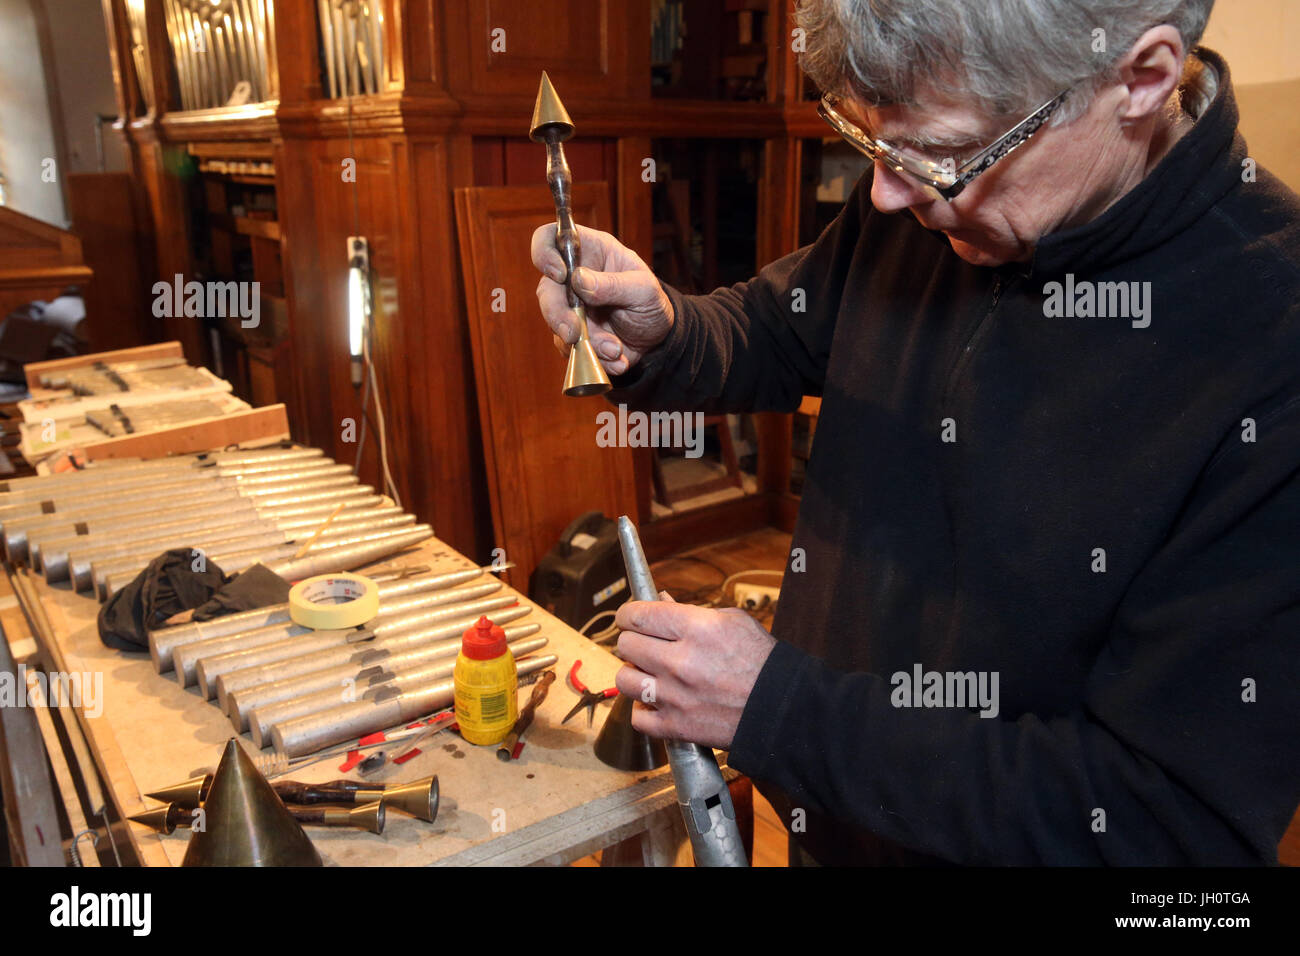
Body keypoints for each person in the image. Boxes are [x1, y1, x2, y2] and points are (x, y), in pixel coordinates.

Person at [532, 0, 1300, 865]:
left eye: (939, 153)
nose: (886, 195)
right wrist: (668, 333)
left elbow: (1168, 833)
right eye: (870, 143)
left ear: (1141, 78)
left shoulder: (1272, 342)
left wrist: (781, 710)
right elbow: (782, 328)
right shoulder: (929, 199)